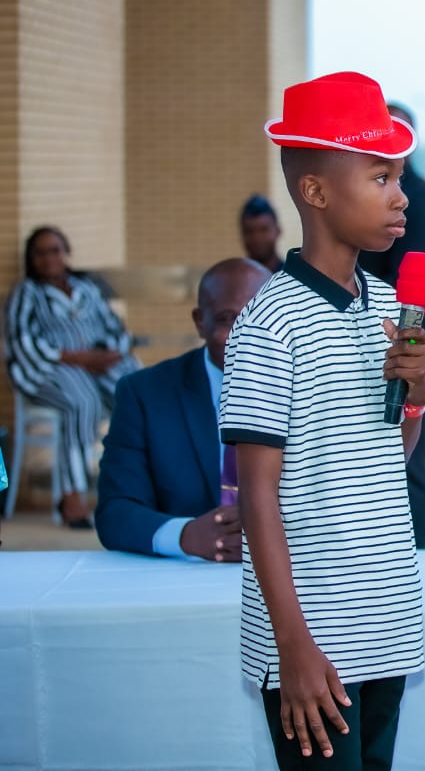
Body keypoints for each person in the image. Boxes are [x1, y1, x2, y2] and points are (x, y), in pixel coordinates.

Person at [220, 71, 425, 769]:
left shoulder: (388, 302)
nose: (401, 195)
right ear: (315, 192)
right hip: (312, 638)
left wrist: (411, 395)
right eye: (380, 178)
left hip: (385, 618)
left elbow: (388, 456)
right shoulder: (268, 322)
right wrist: (293, 646)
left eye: (399, 176)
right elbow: (257, 494)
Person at [94, 258, 271, 559]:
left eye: (262, 319)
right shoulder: (144, 394)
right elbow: (115, 512)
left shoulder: (316, 389)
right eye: (229, 319)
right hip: (183, 582)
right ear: (201, 322)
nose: (247, 336)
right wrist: (185, 535)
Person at [4, 226, 141, 528]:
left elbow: (114, 329)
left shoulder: (86, 289)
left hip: (94, 366)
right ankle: (73, 497)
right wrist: (76, 358)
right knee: (82, 402)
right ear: (31, 258)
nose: (48, 258)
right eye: (40, 252)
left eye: (54, 250)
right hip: (46, 370)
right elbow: (22, 342)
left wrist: (108, 355)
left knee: (135, 392)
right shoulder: (28, 293)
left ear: (66, 253)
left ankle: (138, 484)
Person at [358, 101, 425, 548]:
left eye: (397, 131)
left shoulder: (423, 201)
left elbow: (406, 287)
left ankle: (414, 554)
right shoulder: (366, 191)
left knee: (406, 465)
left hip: (403, 342)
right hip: (363, 337)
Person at [241, 194, 286, 273]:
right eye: (249, 231)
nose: (257, 238)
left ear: (278, 231)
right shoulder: (238, 280)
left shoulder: (292, 278)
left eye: (264, 230)